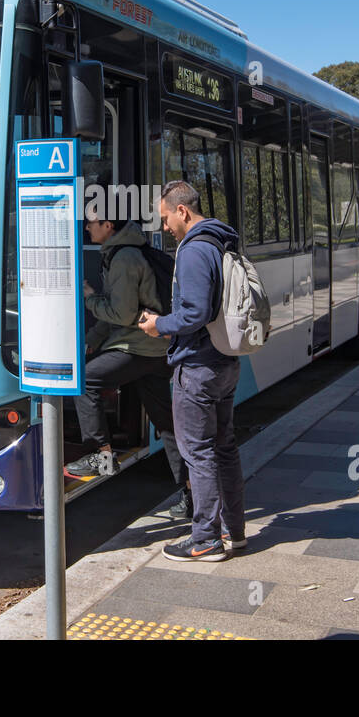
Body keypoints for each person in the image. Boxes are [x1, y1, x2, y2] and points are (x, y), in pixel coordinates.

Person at [139, 180, 246, 562]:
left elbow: (195, 312)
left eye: (166, 217)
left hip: (198, 366)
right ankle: (235, 531)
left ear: (182, 211)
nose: (165, 227)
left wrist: (159, 325)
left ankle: (205, 539)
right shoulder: (221, 241)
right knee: (224, 448)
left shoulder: (194, 249)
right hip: (223, 362)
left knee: (198, 453)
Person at [65, 212, 188, 506]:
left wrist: (89, 297)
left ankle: (102, 455)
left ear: (109, 226)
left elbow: (120, 314)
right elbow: (122, 313)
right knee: (166, 424)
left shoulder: (123, 259)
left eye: (92, 223)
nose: (86, 228)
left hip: (139, 348)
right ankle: (193, 494)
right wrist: (91, 342)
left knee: (86, 380)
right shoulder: (127, 252)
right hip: (153, 349)